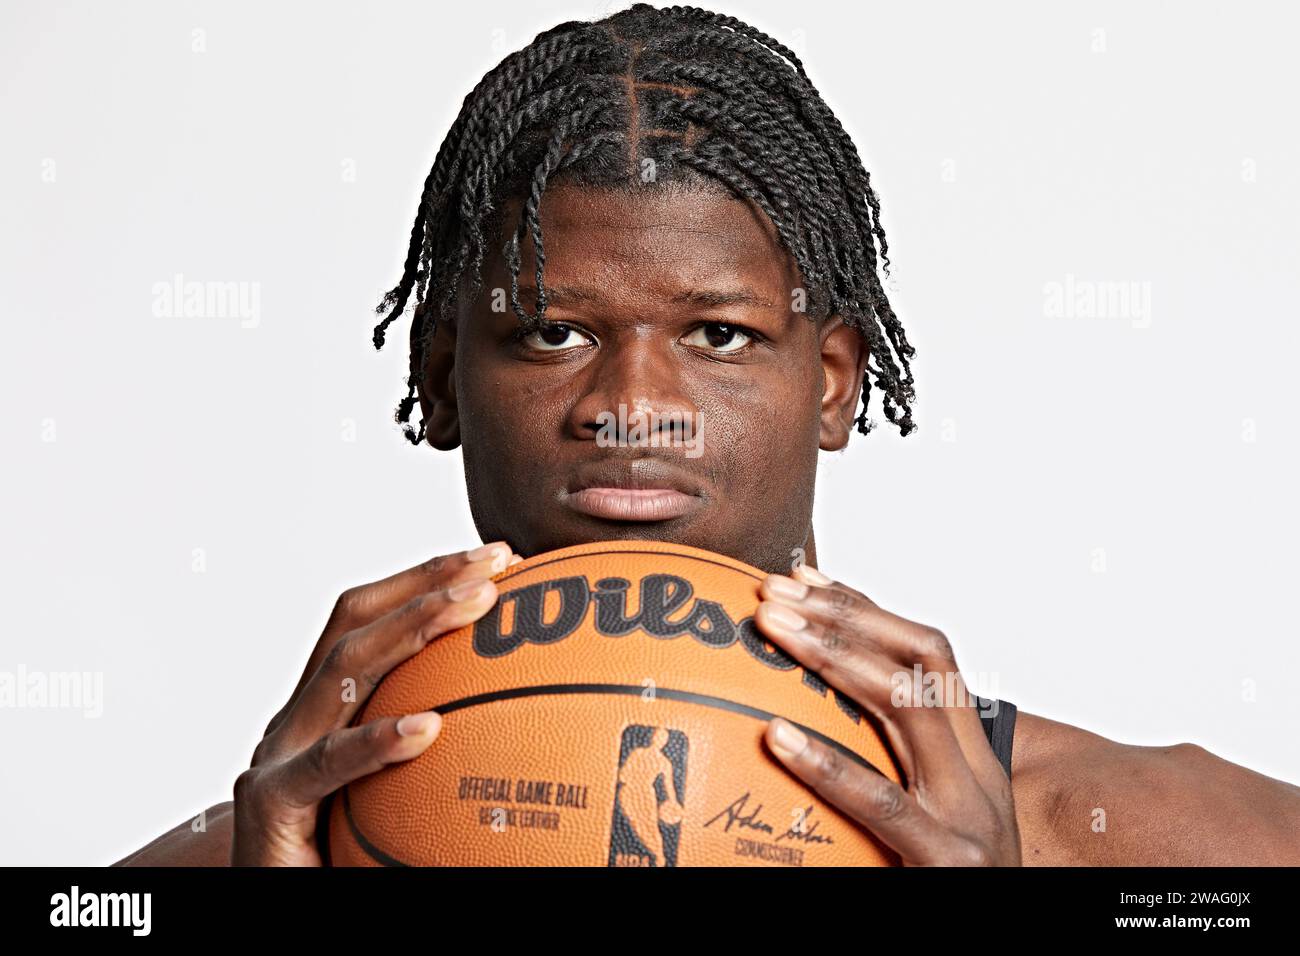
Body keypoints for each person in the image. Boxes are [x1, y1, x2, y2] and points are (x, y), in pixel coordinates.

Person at [114, 3, 1300, 866]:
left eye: (721, 335)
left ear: (833, 381)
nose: (632, 404)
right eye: (553, 332)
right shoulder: (258, 854)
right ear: (439, 381)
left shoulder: (1155, 842)